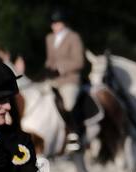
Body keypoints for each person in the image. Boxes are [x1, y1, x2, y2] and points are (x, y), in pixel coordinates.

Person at [43, 9, 86, 153]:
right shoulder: (49, 38)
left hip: (70, 79)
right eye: (53, 23)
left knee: (68, 102)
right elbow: (50, 59)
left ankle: (74, 135)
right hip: (53, 79)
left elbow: (79, 61)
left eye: (57, 22)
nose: (54, 25)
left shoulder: (74, 37)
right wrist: (48, 68)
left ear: (63, 23)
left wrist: (61, 69)